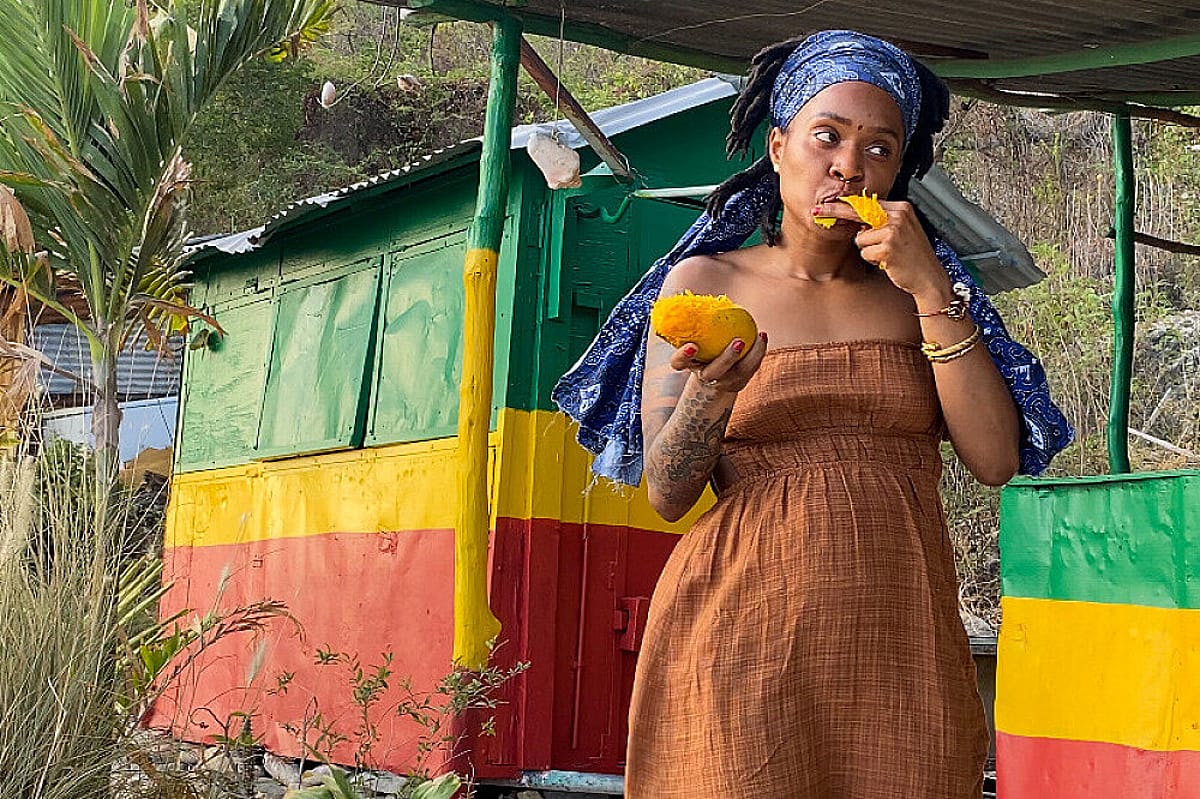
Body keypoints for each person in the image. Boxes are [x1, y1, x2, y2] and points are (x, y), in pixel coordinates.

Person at [553, 30, 1073, 798]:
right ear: (777, 147)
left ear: (898, 172)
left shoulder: (919, 295)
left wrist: (932, 288)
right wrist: (715, 390)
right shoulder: (706, 283)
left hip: (902, 650)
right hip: (741, 640)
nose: (849, 165)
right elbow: (667, 491)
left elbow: (994, 460)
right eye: (827, 136)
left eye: (879, 148)